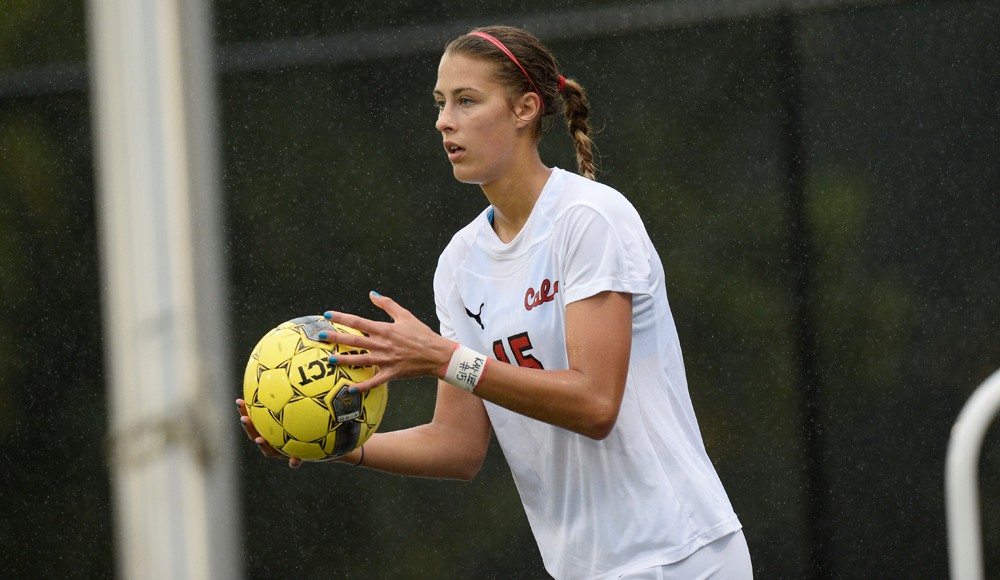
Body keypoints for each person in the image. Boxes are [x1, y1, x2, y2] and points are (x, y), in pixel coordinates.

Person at [238, 25, 752, 579]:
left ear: (525, 109)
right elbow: (457, 446)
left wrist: (442, 359)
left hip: (682, 554)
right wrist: (335, 439)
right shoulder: (460, 264)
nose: (443, 120)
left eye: (466, 100)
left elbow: (596, 405)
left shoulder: (589, 220)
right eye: (440, 103)